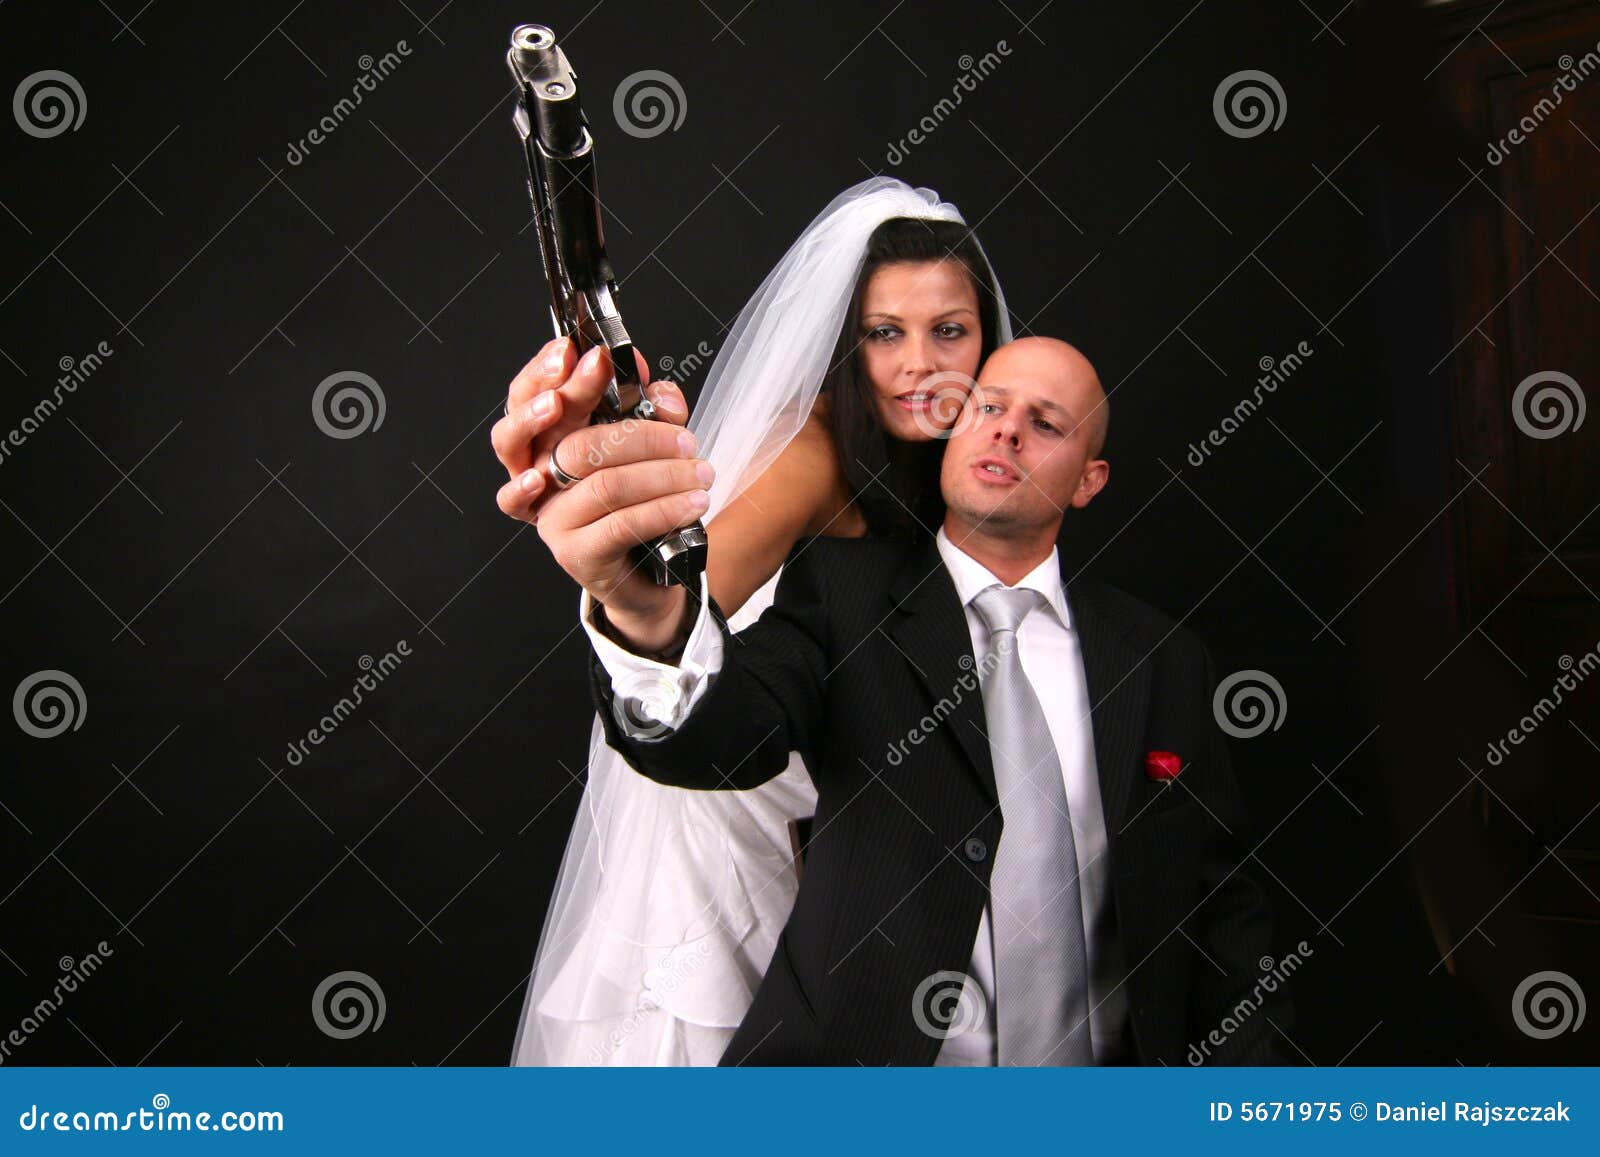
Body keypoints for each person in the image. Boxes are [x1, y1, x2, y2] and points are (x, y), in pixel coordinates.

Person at [527, 334, 1293, 1065]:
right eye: (988, 407)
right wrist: (644, 612)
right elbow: (723, 736)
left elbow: (1220, 904)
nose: (1008, 433)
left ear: (1089, 478)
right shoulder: (841, 590)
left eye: (1046, 422)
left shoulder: (1162, 658)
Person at [490, 178, 1012, 1064]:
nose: (919, 364)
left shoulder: (953, 467)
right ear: (849, 343)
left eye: (948, 331)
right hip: (737, 807)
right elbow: (688, 612)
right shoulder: (812, 454)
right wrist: (632, 585)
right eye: (886, 333)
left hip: (842, 808)